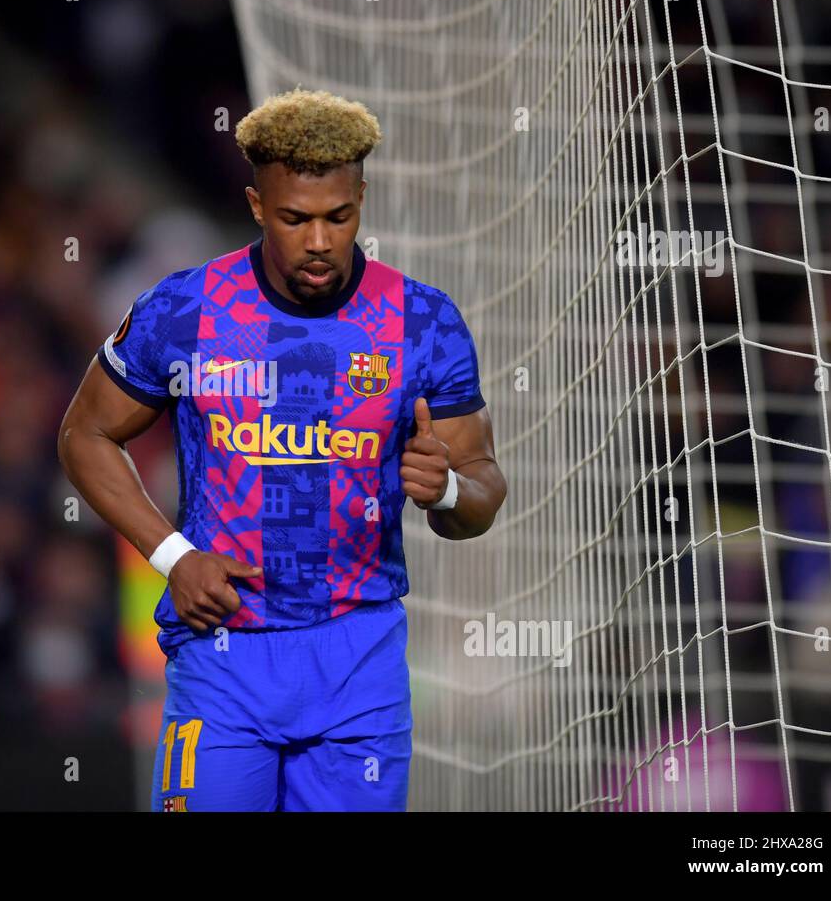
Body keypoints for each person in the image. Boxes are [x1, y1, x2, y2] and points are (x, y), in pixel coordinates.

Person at [57, 87, 506, 810]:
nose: (321, 241)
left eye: (340, 216)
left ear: (361, 197)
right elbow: (84, 434)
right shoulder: (186, 309)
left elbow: (483, 485)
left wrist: (448, 491)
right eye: (296, 219)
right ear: (258, 205)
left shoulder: (424, 322)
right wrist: (173, 557)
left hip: (359, 663)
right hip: (224, 648)